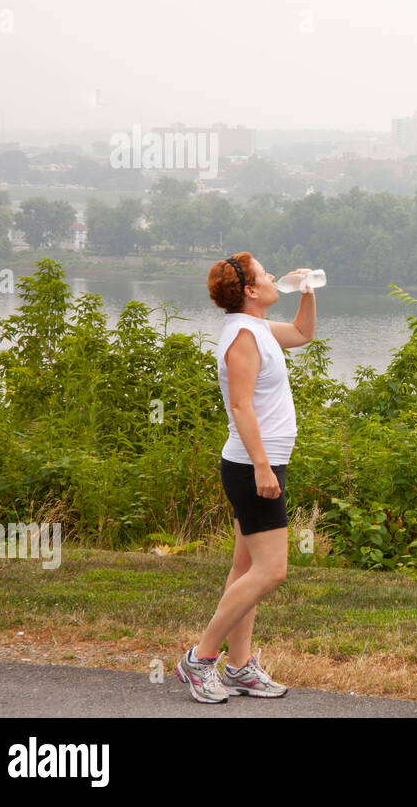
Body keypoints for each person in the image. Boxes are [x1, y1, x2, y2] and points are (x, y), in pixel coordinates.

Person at [175, 252, 315, 703]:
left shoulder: (257, 329)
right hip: (254, 466)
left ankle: (239, 668)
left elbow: (302, 334)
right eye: (265, 274)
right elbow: (240, 406)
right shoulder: (242, 338)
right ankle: (200, 659)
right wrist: (261, 466)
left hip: (263, 462)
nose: (274, 276)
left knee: (246, 568)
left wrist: (308, 292)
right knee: (272, 571)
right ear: (251, 292)